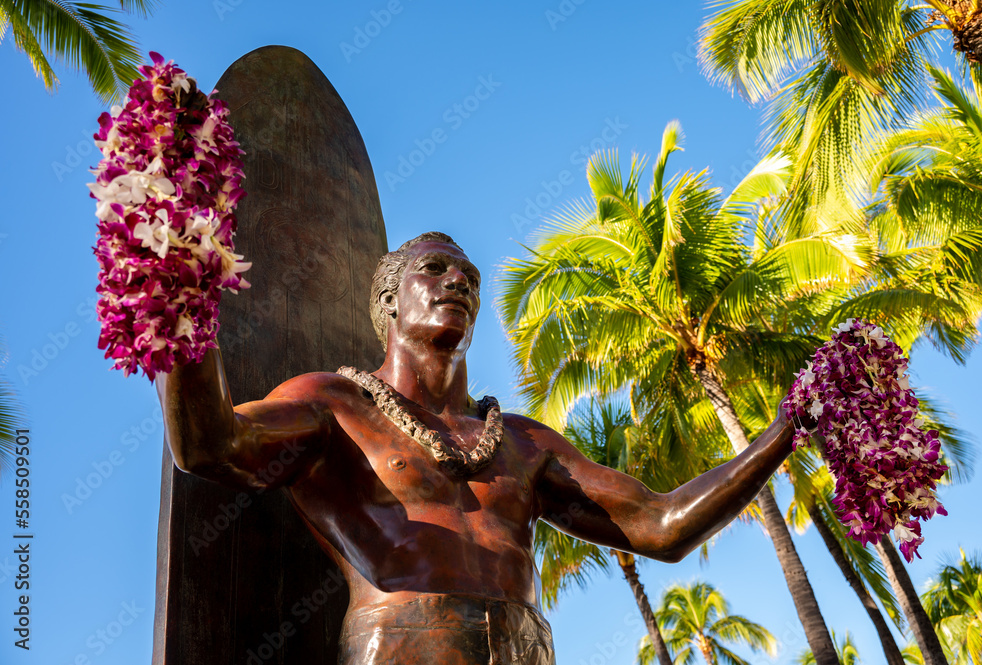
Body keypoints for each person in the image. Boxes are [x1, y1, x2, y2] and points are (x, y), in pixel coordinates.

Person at [157, 231, 797, 665]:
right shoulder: (333, 404)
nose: (456, 282)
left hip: (525, 649)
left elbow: (661, 526)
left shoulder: (523, 441)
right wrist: (180, 270)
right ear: (388, 300)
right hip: (400, 645)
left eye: (468, 276)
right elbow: (212, 443)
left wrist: (788, 428)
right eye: (433, 270)